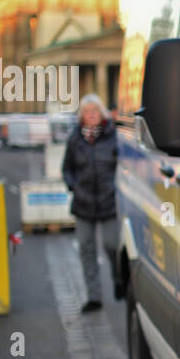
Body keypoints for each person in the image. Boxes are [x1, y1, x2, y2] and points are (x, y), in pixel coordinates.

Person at [62, 94, 122, 313]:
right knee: (86, 250)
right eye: (87, 112)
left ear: (102, 113)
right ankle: (93, 296)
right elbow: (67, 168)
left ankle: (118, 279)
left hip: (108, 202)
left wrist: (117, 187)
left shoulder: (113, 136)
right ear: (82, 117)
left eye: (95, 111)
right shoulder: (75, 139)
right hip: (83, 204)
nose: (91, 115)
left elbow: (122, 165)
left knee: (112, 245)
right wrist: (73, 186)